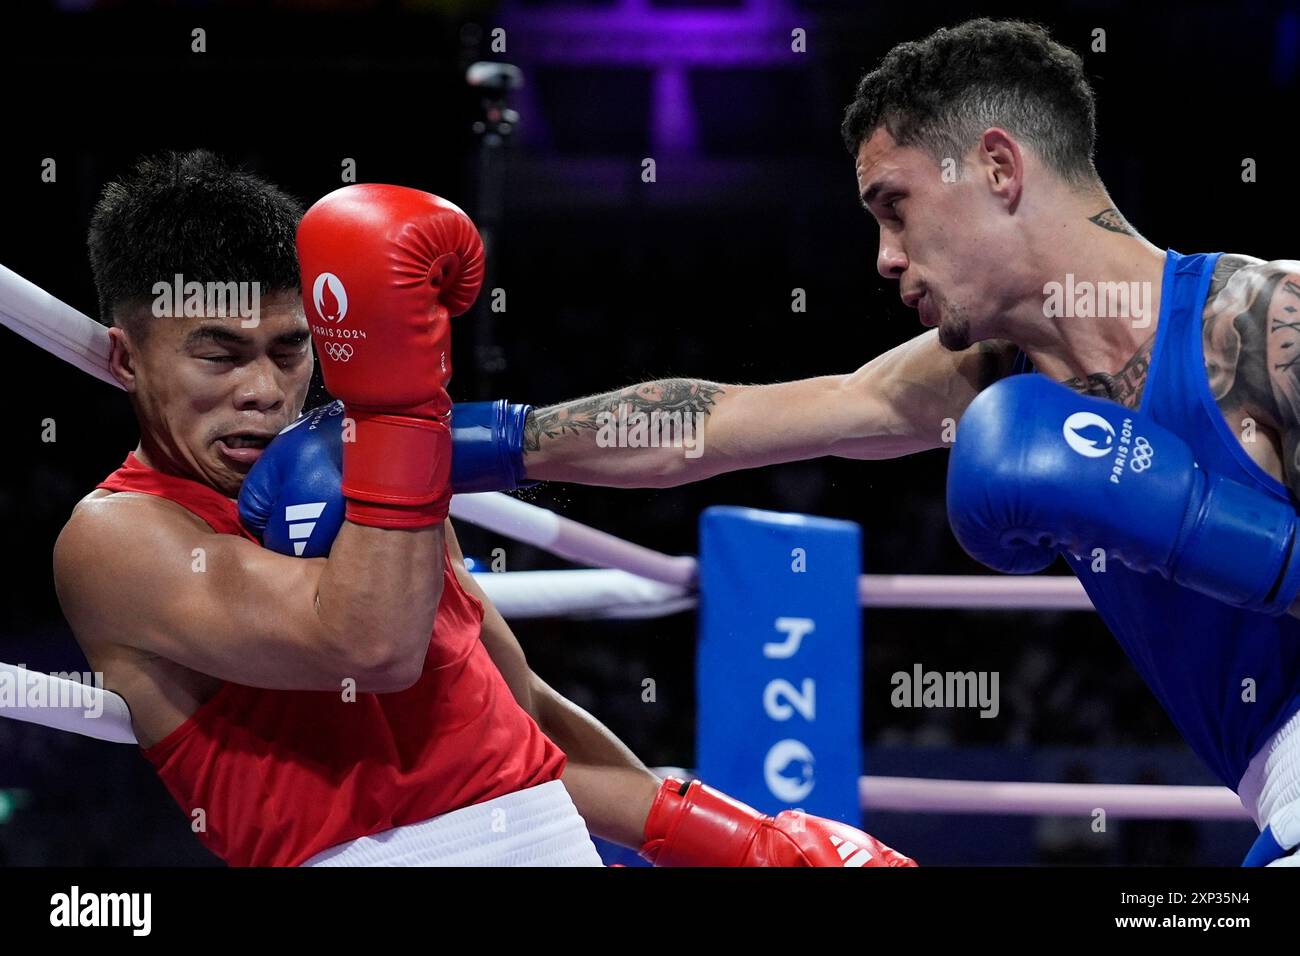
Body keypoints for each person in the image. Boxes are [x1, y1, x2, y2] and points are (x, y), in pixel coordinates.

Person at [474, 19, 1300, 864]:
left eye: (895, 208)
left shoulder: (1269, 323)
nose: (885, 257)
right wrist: (483, 442)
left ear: (998, 167)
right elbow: (713, 428)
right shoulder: (982, 376)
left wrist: (1234, 544)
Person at [51, 149, 914, 868]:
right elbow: (369, 646)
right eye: (219, 355)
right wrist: (399, 415)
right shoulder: (122, 538)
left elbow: (517, 714)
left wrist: (739, 842)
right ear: (127, 359)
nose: (263, 392)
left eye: (288, 351)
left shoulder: (372, 475)